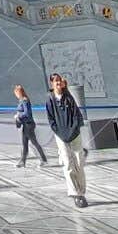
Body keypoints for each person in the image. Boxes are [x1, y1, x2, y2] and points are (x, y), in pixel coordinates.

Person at [45, 73, 88, 206]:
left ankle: (81, 191)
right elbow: (51, 119)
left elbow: (77, 115)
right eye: (55, 81)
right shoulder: (50, 100)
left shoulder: (69, 98)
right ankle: (75, 193)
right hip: (61, 136)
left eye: (59, 81)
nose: (58, 83)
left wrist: (74, 130)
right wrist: (60, 133)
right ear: (52, 84)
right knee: (68, 165)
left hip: (74, 135)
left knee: (79, 163)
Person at [13, 85, 48, 168]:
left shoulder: (25, 101)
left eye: (16, 93)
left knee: (34, 143)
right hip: (25, 125)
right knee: (24, 144)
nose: (16, 95)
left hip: (29, 125)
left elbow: (27, 113)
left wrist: (18, 116)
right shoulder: (21, 101)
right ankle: (23, 161)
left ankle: (43, 159)